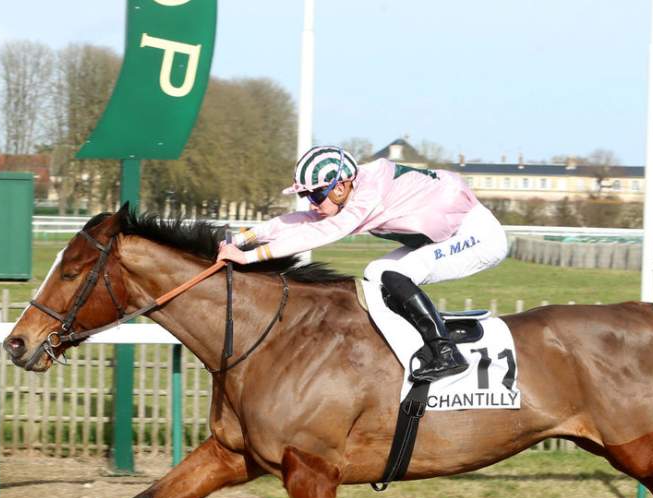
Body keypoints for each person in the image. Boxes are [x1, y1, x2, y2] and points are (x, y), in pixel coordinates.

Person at [217, 145, 509, 382]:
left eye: (315, 194)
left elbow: (319, 233)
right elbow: (298, 221)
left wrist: (249, 257)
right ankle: (421, 339)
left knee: (393, 273)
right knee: (376, 272)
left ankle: (445, 353)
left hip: (477, 236)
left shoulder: (366, 195)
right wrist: (243, 239)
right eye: (305, 195)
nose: (311, 203)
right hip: (444, 234)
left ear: (341, 187)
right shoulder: (351, 187)